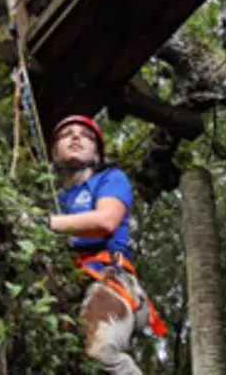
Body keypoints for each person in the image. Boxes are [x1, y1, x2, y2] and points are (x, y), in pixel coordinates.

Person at [46, 115, 165, 375]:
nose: (75, 137)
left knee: (99, 354)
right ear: (54, 151)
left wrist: (47, 222)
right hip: (68, 287)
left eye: (85, 136)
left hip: (110, 278)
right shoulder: (52, 197)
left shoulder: (110, 179)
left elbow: (106, 221)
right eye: (67, 134)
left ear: (97, 155)